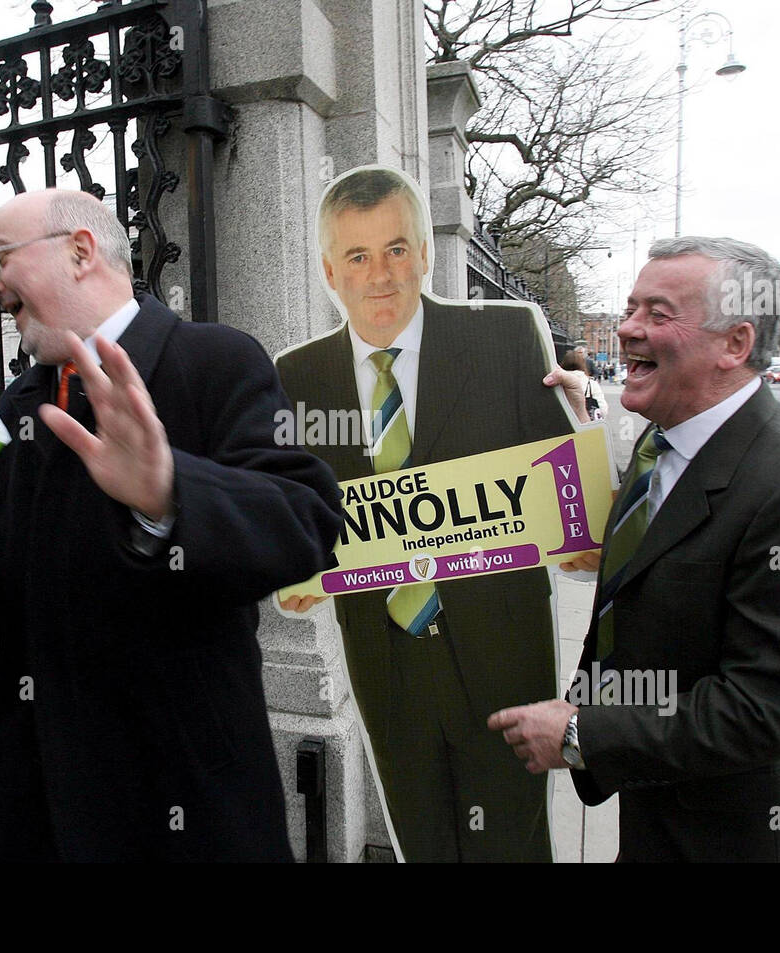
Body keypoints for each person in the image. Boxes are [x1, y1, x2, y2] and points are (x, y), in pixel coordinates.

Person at [0, 188, 342, 862]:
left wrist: (169, 493)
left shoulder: (218, 359)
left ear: (80, 250)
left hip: (181, 807)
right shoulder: (10, 405)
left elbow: (305, 516)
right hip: (41, 808)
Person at [490, 236, 780, 861]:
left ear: (736, 344)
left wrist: (580, 734)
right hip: (662, 816)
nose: (626, 328)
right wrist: (583, 414)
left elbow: (766, 707)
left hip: (748, 838)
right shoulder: (662, 442)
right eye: (630, 308)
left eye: (658, 313)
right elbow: (639, 558)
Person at [275, 167, 578, 862]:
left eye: (396, 249)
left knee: (513, 850)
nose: (380, 274)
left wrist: (584, 521)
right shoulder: (296, 378)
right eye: (357, 256)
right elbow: (293, 510)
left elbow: (566, 498)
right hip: (389, 670)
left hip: (504, 660)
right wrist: (291, 569)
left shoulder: (503, 338)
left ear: (426, 253)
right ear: (329, 270)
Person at [562, 349, 607, 421]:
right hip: (586, 426)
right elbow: (602, 409)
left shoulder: (558, 382)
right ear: (583, 364)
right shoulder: (591, 384)